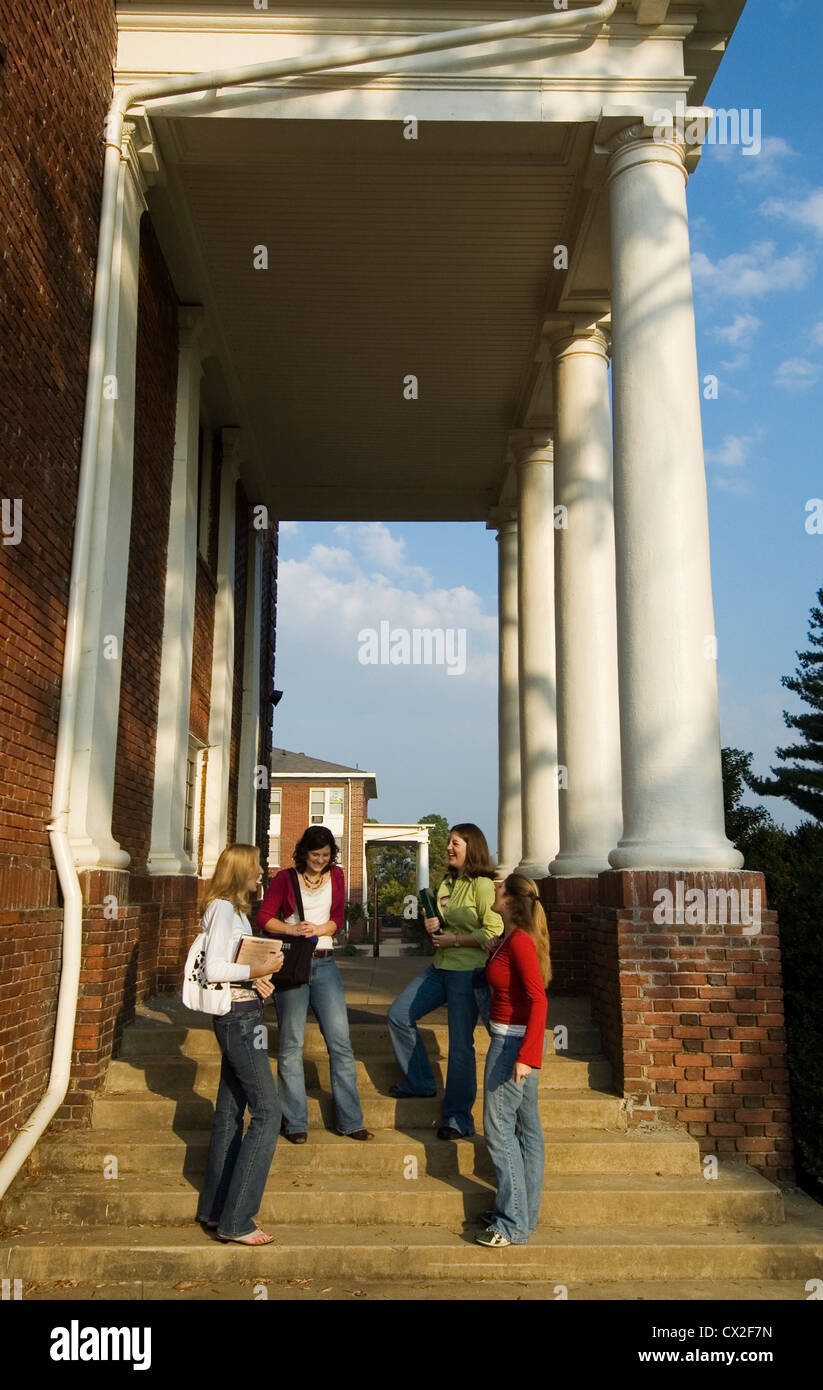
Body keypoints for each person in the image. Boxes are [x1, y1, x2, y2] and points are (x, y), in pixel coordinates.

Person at [387, 823, 503, 1139]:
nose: (448, 848)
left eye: (455, 843)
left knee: (460, 1047)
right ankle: (421, 1082)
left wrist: (454, 940)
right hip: (440, 968)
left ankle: (458, 1118)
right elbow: (442, 927)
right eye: (449, 843)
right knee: (398, 1015)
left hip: (469, 973)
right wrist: (433, 926)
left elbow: (493, 933)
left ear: (471, 847)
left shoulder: (482, 885)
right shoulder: (447, 883)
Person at [257, 825, 372, 1142]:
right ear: (303, 852)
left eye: (326, 855)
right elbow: (265, 918)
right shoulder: (284, 878)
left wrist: (320, 927)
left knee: (341, 1042)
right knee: (292, 1044)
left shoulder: (337, 876)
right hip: (294, 963)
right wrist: (292, 930)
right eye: (315, 854)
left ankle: (350, 1120)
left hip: (325, 962)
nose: (320, 860)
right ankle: (295, 1123)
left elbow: (337, 917)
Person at [195, 843, 283, 1246]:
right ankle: (239, 1220)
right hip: (237, 1021)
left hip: (243, 1011)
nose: (261, 874)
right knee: (269, 1112)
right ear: (239, 870)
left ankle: (215, 1211)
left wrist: (255, 978)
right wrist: (257, 968)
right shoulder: (224, 910)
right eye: (256, 868)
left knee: (230, 1111)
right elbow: (214, 968)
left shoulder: (233, 912)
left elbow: (231, 968)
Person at [475, 872, 550, 1248]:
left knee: (499, 1129)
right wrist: (493, 953)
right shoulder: (511, 940)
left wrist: (527, 1057)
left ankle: (511, 1223)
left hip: (512, 1046)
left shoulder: (519, 942)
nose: (494, 889)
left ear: (510, 901)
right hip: (515, 1043)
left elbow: (539, 1000)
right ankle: (524, 1215)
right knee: (527, 1132)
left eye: (499, 887)